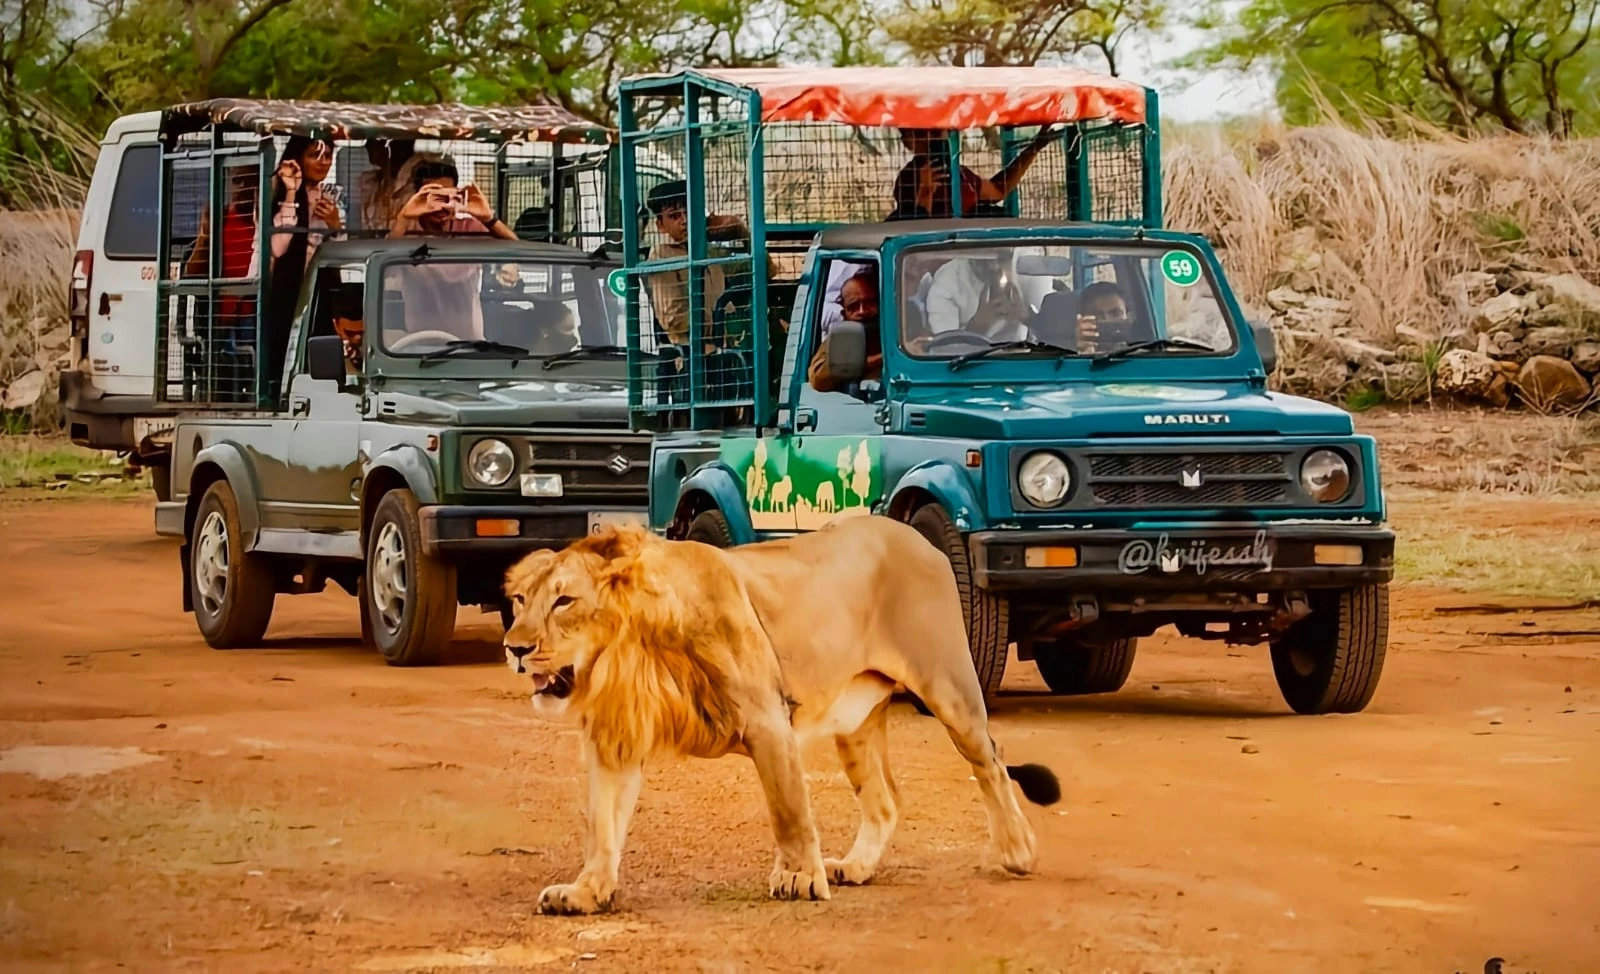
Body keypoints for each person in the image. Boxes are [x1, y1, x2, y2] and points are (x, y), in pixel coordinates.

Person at [642, 179, 751, 349]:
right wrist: (719, 328)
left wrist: (742, 232)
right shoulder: (662, 256)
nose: (684, 220)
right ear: (660, 225)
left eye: (689, 212)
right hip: (691, 355)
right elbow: (674, 318)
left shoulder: (709, 252)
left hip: (726, 349)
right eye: (674, 216)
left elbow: (764, 269)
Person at [889, 126, 1061, 220]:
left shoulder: (961, 174)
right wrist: (926, 191)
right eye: (933, 133)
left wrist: (1034, 148)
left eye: (947, 131)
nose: (942, 136)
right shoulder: (909, 178)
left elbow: (998, 190)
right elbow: (914, 225)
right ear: (911, 141)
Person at [388, 160, 518, 240]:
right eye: (436, 197)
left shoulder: (468, 228)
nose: (443, 206)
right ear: (419, 196)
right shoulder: (406, 229)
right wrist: (404, 217)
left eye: (448, 197)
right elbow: (385, 258)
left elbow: (516, 249)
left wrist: (488, 219)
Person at [924, 250, 1032, 342]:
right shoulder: (947, 283)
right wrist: (976, 328)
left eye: (1002, 259)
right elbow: (945, 349)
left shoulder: (1027, 267)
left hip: (1016, 357)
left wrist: (1027, 318)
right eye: (985, 260)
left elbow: (1045, 335)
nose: (995, 267)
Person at [808, 267, 881, 394]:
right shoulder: (842, 336)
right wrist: (880, 360)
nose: (862, 311)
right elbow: (819, 380)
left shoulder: (902, 331)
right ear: (844, 312)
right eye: (853, 306)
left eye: (870, 303)